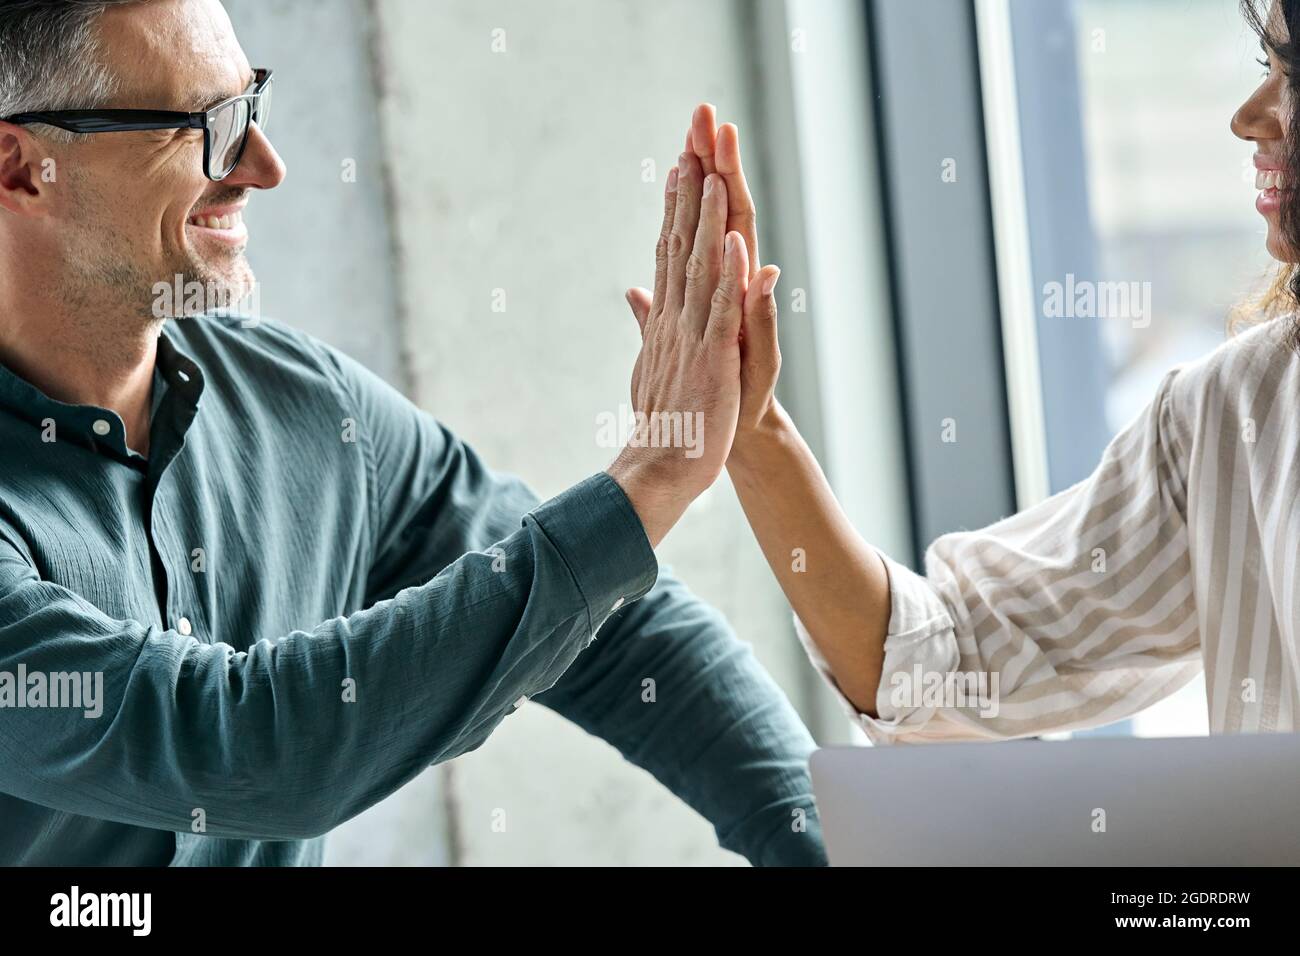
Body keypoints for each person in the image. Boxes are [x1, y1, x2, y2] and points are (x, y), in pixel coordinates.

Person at [0, 0, 825, 866]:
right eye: (201, 126)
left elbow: (615, 627)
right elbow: (234, 749)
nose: (264, 166)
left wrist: (819, 835)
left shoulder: (307, 406)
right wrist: (650, 481)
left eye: (250, 108)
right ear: (21, 169)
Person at [642, 0, 1300, 743]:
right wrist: (753, 430)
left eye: (1293, 75)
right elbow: (942, 665)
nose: (1251, 117)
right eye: (1264, 67)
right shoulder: (1237, 415)